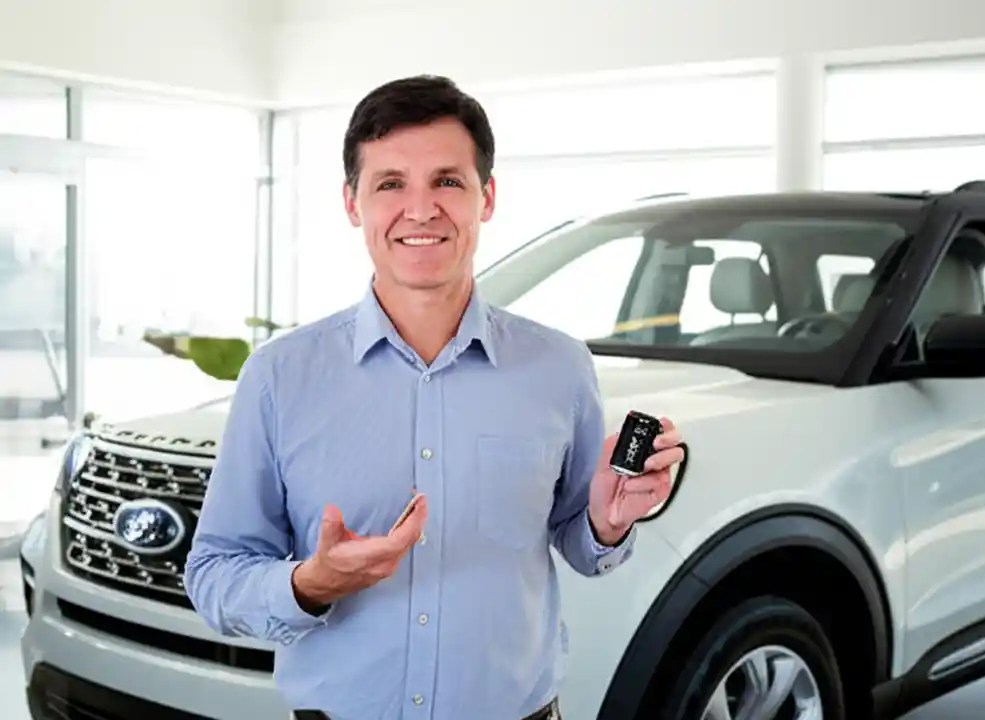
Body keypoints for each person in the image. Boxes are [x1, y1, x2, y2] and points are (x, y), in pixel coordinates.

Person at [184, 75, 685, 720]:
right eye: (390, 183)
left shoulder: (559, 367)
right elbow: (215, 574)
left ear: (487, 196)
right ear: (351, 202)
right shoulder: (279, 376)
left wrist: (607, 524)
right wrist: (308, 585)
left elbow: (579, 542)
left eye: (447, 181)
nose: (420, 210)